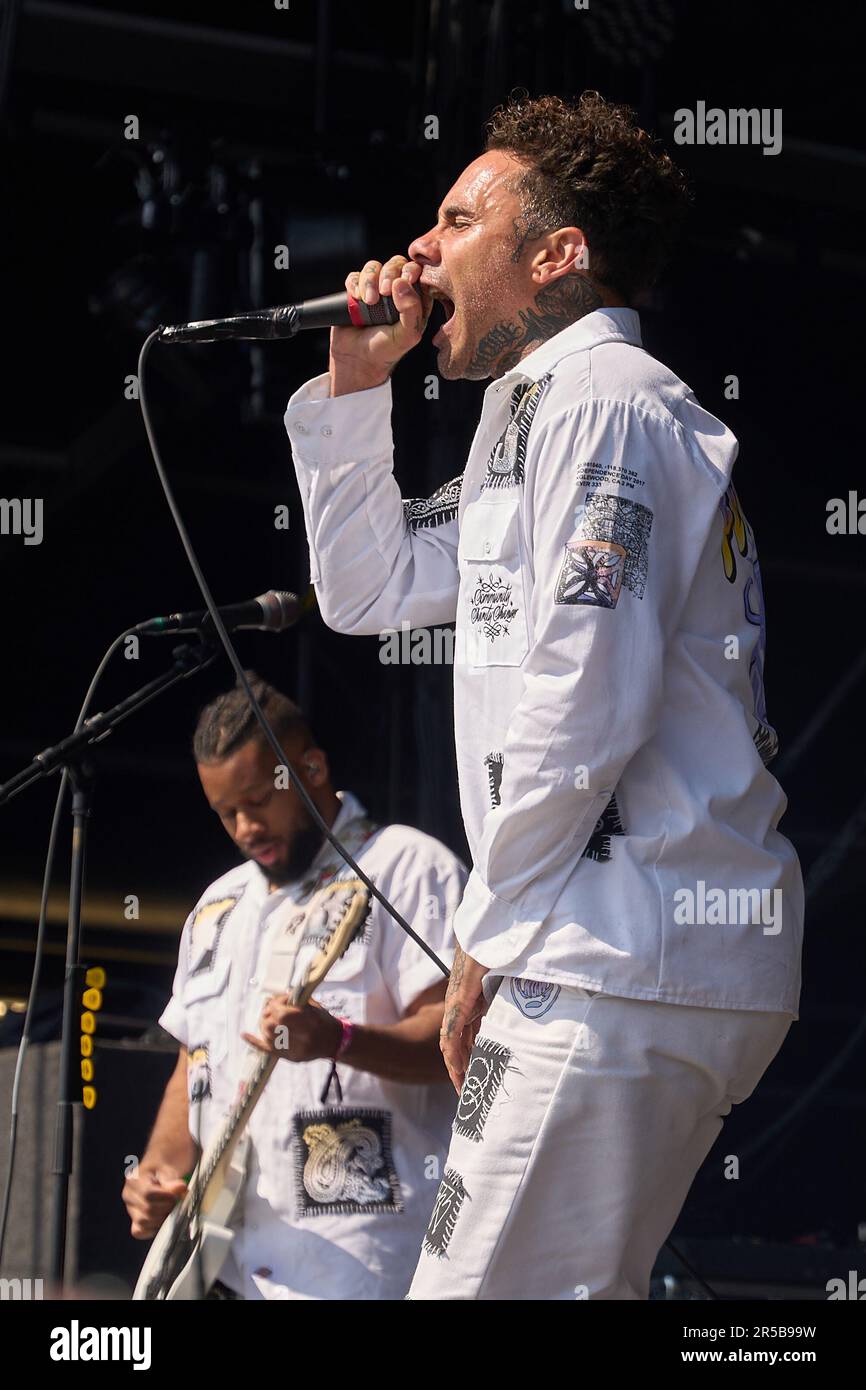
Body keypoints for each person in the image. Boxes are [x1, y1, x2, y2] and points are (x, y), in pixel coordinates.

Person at [283, 92, 804, 1300]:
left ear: (555, 254)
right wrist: (359, 386)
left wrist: (479, 936)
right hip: (606, 946)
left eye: (456, 218)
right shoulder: (533, 417)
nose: (419, 249)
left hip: (616, 948)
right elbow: (367, 589)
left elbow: (584, 695)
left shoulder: (606, 401)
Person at [122, 675, 467, 1300]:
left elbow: (458, 1044)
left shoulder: (406, 868)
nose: (245, 827)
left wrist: (338, 1040)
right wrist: (157, 1171)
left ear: (309, 768)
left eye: (258, 800)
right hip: (230, 1266)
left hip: (367, 1265)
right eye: (226, 813)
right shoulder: (215, 907)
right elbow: (191, 1066)